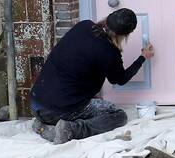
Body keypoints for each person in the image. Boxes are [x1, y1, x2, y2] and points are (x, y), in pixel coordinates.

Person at [28, 8, 154, 144]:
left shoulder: (83, 26)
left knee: (81, 100)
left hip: (36, 103)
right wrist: (142, 57)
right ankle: (72, 129)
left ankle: (44, 128)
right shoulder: (109, 52)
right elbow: (120, 79)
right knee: (118, 116)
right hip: (57, 110)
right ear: (125, 34)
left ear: (107, 18)